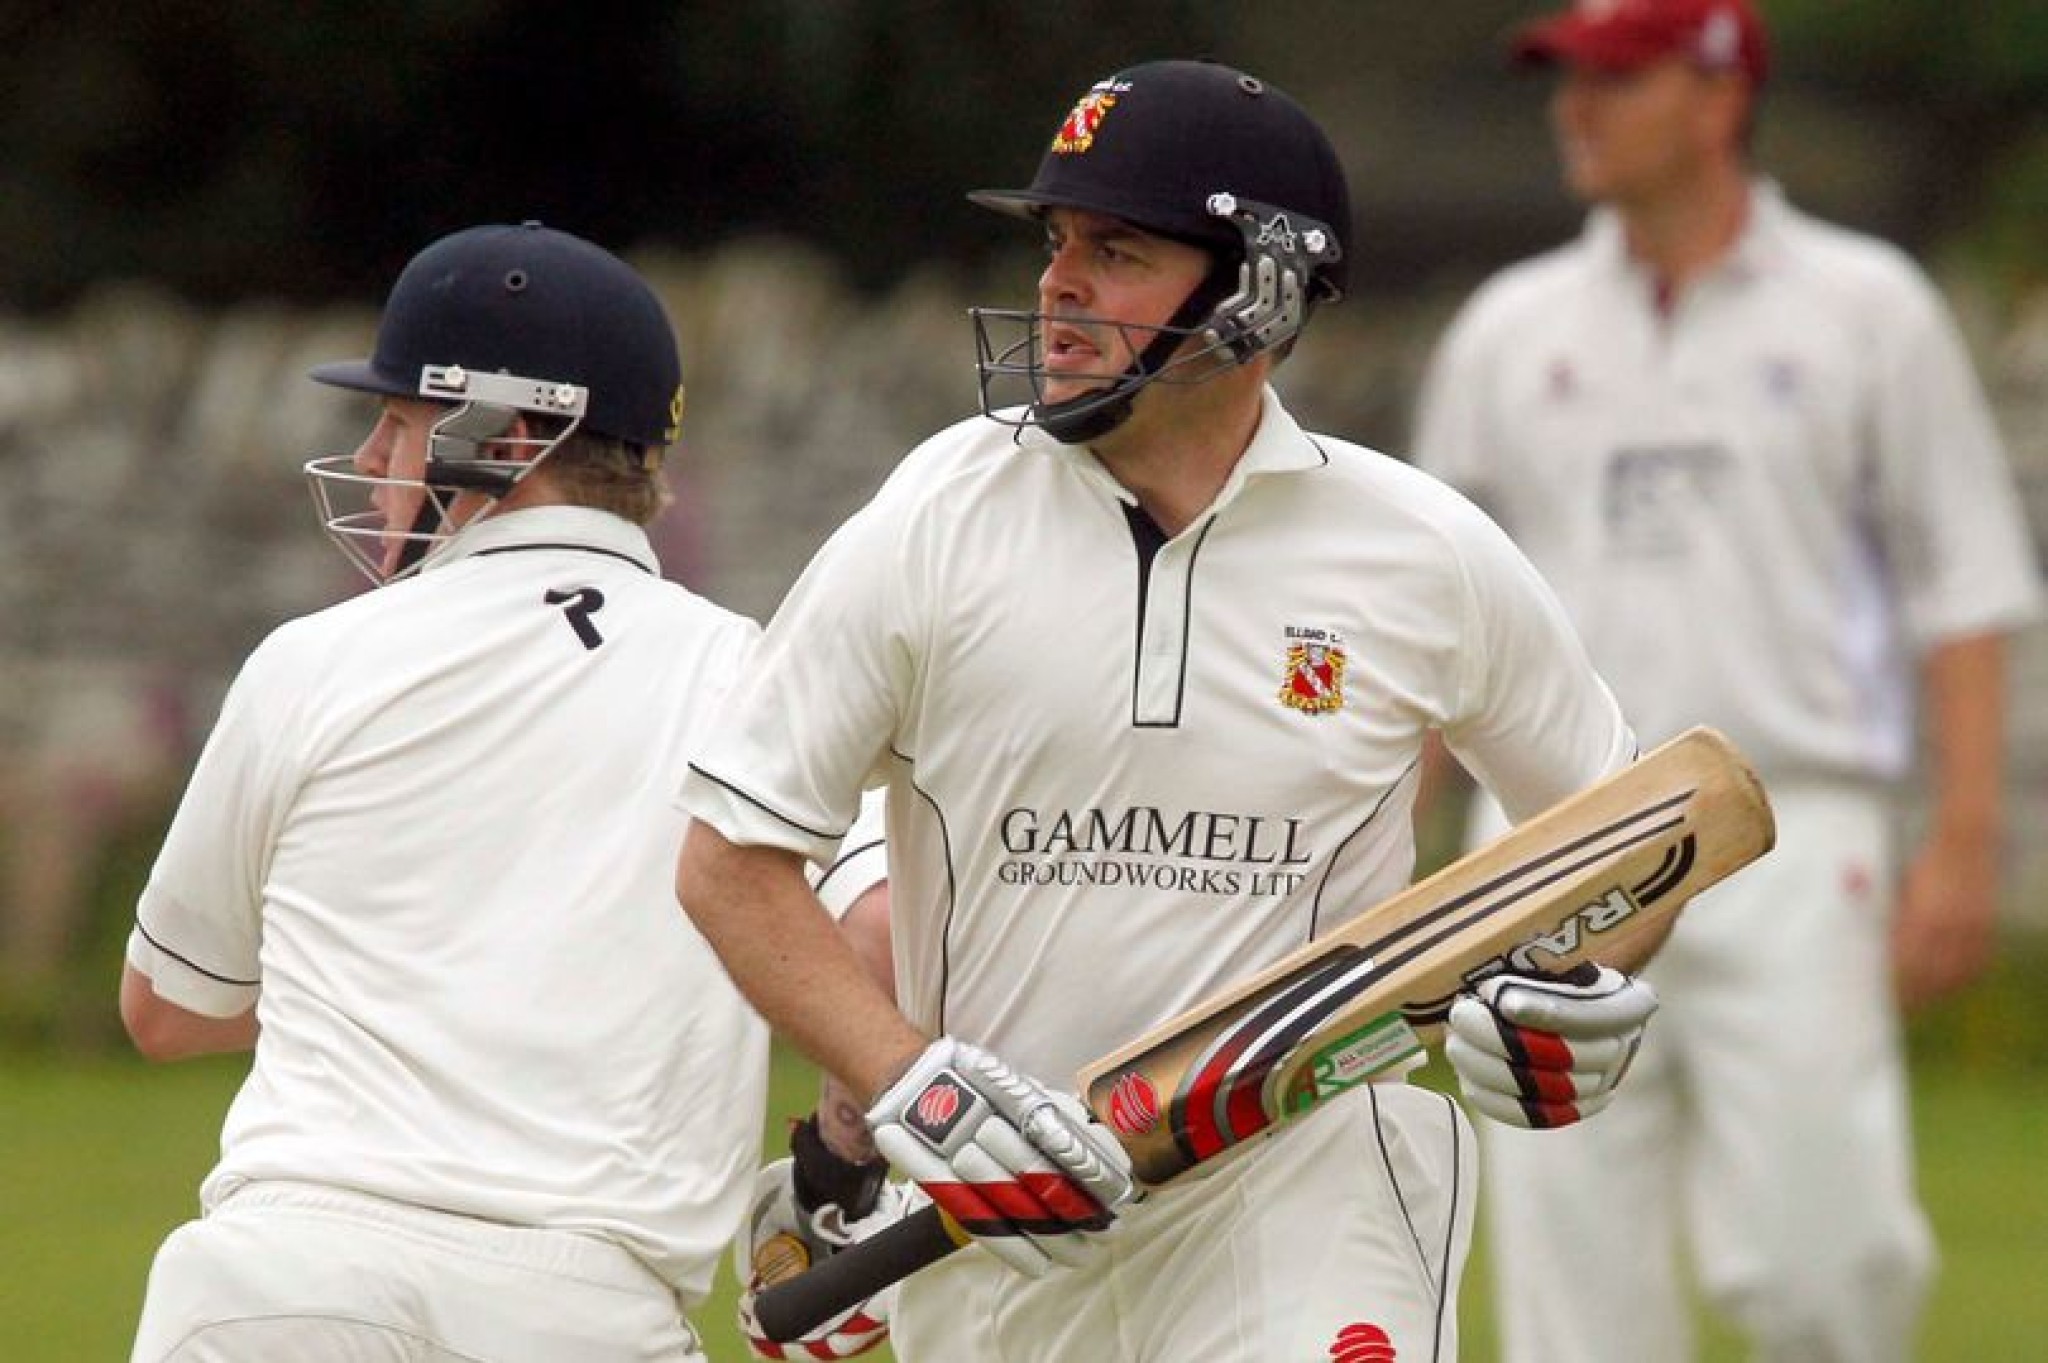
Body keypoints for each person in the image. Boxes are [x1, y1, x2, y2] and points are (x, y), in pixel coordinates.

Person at [677, 58, 1671, 1362]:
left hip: (1306, 1187)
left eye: (1119, 248)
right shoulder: (935, 518)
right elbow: (732, 863)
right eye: (1057, 242)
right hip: (1005, 1206)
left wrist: (1588, 978)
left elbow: (1629, 833)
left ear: (1261, 290)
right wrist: (910, 1086)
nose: (1059, 284)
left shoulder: (1419, 550)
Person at [1410, 4, 2047, 1360]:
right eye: (1567, 80)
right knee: (1571, 1287)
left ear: (1716, 96)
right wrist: (1379, 855)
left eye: (1613, 79)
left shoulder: (1867, 309)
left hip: (1794, 824)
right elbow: (1432, 616)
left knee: (1828, 1266)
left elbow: (1967, 585)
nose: (1573, 108)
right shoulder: (1508, 328)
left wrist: (1966, 837)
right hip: (1546, 841)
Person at [118, 221, 870, 1362]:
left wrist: (405, 969)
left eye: (399, 419)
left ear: (503, 435)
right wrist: (833, 1163)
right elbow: (881, 938)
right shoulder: (754, 673)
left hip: (282, 1284)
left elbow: (166, 1008)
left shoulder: (315, 658)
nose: (371, 457)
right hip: (584, 1314)